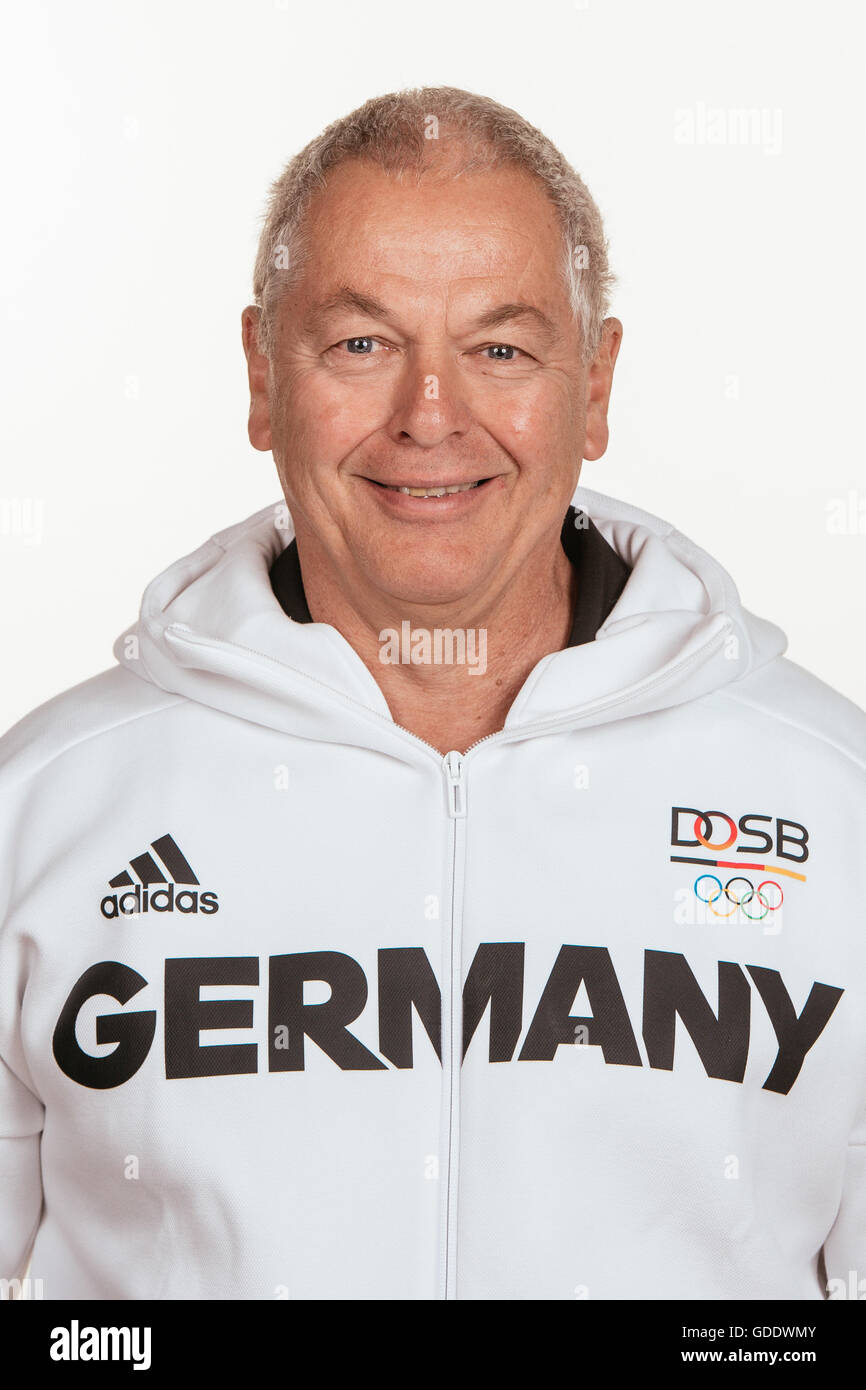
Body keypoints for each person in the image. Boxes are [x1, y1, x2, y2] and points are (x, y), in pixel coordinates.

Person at [1, 85, 864, 1302]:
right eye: (360, 344)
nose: (429, 417)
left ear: (596, 383)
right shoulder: (40, 811)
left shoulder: (833, 804)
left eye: (499, 349)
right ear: (260, 374)